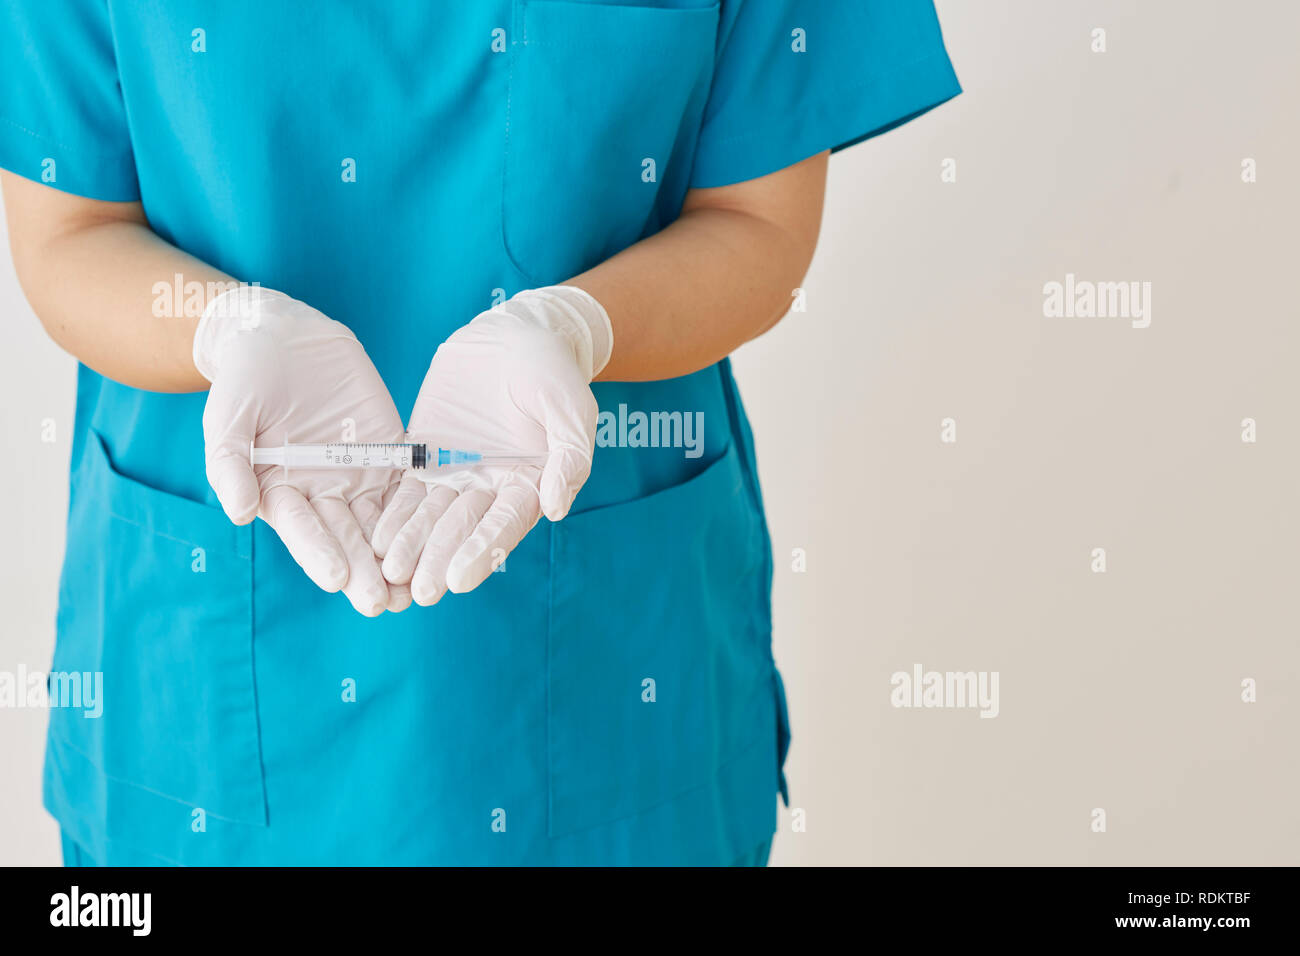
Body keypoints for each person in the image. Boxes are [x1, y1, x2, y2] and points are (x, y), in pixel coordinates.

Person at [0, 0, 959, 865]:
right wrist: (222, 328)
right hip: (207, 682)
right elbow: (64, 231)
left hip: (610, 671)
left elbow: (757, 223)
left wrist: (581, 325)